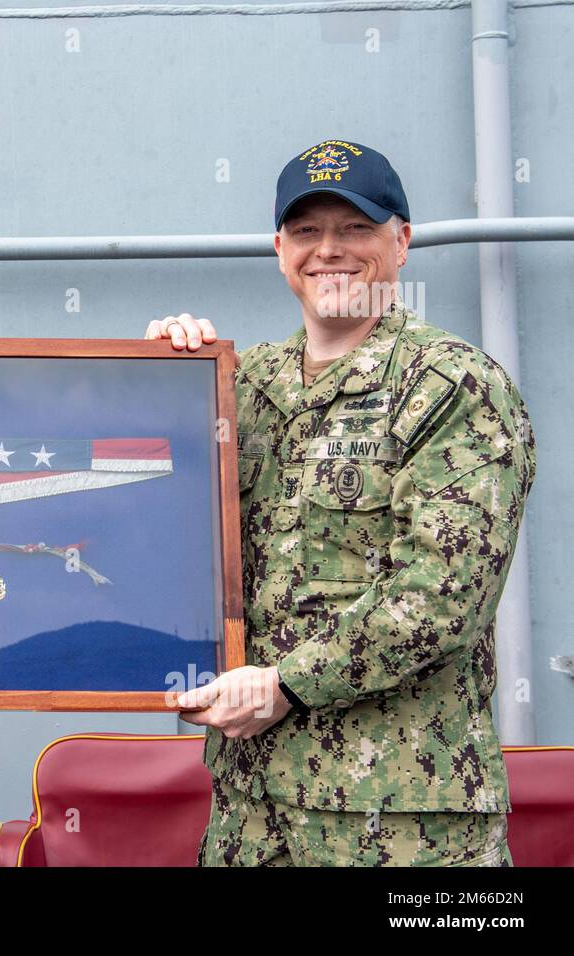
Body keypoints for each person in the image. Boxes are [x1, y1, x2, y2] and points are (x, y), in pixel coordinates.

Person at [147, 140, 535, 865]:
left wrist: (286, 686)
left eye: (356, 227)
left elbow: (443, 595)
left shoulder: (452, 387)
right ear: (278, 247)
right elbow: (154, 531)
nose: (329, 250)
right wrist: (154, 380)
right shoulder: (239, 386)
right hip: (250, 817)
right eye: (306, 231)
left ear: (403, 240)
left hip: (399, 825)